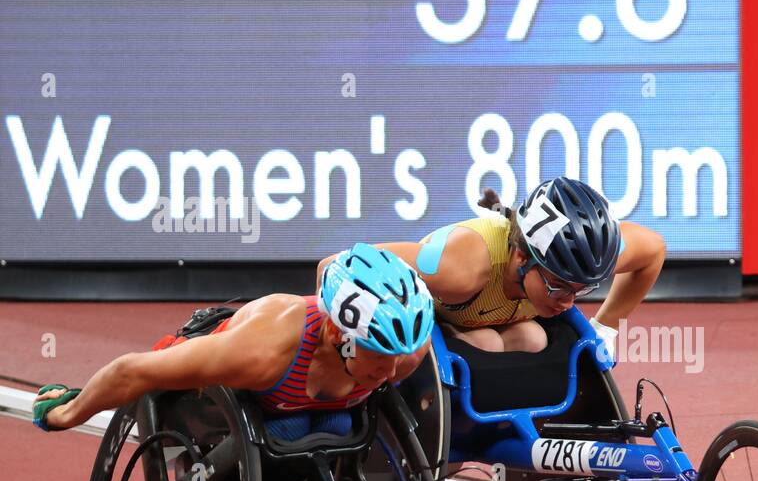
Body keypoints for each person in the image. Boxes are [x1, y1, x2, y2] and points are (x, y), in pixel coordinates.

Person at [32, 244, 434, 439]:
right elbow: (132, 370)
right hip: (217, 392)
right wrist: (71, 414)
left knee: (330, 425)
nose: (393, 371)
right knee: (288, 427)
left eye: (398, 357)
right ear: (337, 335)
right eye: (381, 357)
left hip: (307, 411)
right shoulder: (261, 351)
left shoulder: (408, 350)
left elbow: (328, 265)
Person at [317, 177, 666, 357]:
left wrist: (606, 330)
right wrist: (339, 346)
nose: (569, 302)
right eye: (558, 286)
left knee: (533, 337)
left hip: (502, 328)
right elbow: (333, 265)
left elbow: (653, 252)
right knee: (486, 342)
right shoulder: (459, 268)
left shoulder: (581, 256)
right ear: (520, 258)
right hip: (430, 332)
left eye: (581, 289)